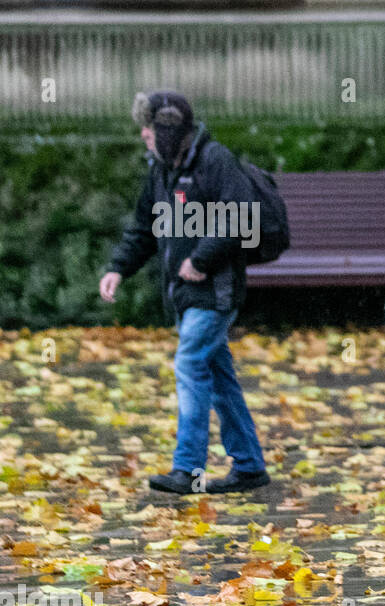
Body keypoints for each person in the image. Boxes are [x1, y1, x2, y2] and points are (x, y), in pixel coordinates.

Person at [99, 90, 269, 495]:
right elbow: (144, 228)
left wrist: (201, 260)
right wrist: (117, 269)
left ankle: (187, 470)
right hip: (184, 294)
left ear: (168, 131)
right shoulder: (162, 170)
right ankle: (249, 467)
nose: (143, 136)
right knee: (219, 377)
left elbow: (241, 216)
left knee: (189, 364)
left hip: (215, 292)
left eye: (149, 129)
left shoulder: (214, 161)